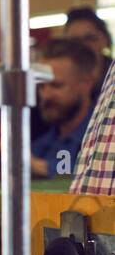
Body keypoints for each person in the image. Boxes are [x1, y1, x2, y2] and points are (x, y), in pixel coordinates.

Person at [31, 38, 98, 179]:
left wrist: (37, 166)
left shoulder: (105, 141)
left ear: (86, 83)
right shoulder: (41, 145)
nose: (46, 95)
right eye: (42, 86)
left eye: (57, 86)